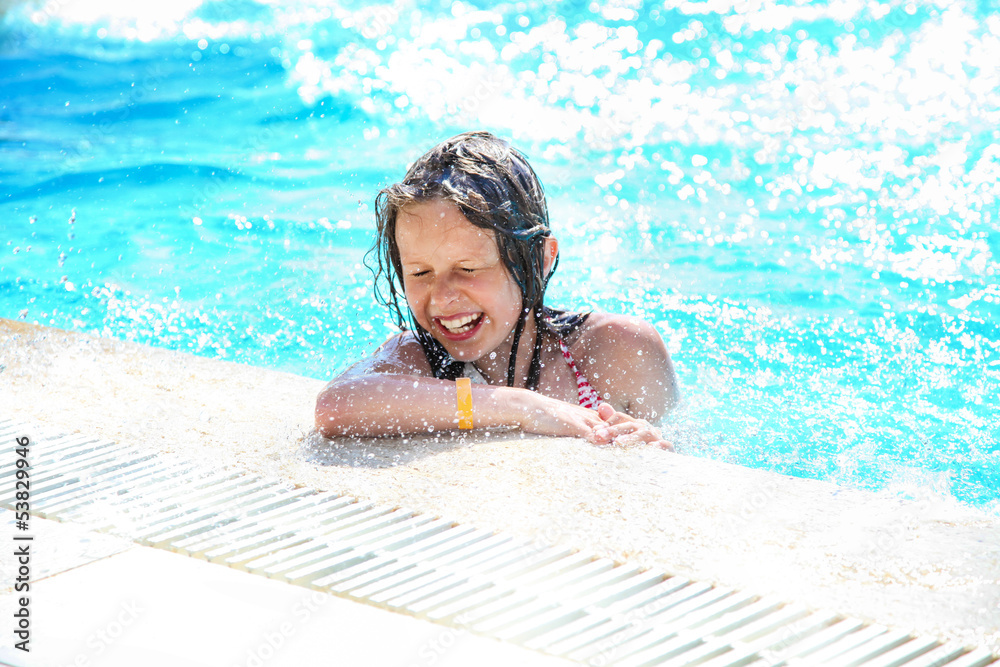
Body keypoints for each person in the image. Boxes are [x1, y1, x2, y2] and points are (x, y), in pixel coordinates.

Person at [316, 131, 679, 448]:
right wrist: (520, 406)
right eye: (420, 272)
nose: (442, 298)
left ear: (539, 260)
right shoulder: (418, 359)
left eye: (467, 269)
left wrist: (653, 445)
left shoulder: (616, 349)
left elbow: (698, 459)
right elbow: (335, 406)